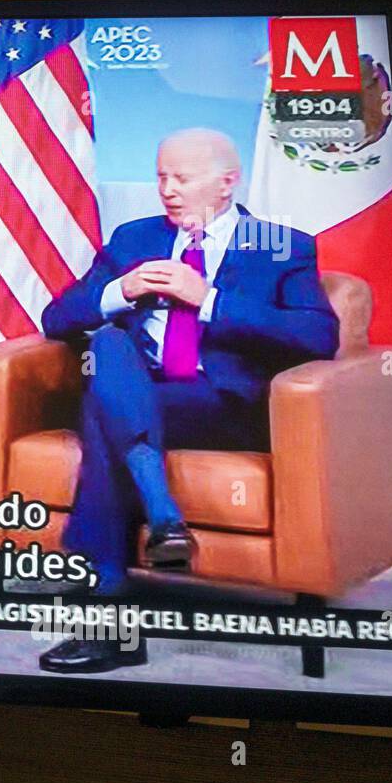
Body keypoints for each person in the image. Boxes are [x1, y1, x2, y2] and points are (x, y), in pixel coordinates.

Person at [36, 128, 339, 674]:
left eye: (183, 178)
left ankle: (110, 608)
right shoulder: (134, 239)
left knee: (103, 412)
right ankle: (163, 520)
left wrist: (209, 300)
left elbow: (319, 339)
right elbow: (56, 320)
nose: (168, 190)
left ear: (227, 183)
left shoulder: (283, 245)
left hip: (219, 405)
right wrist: (119, 292)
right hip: (140, 395)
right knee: (108, 345)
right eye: (160, 177)